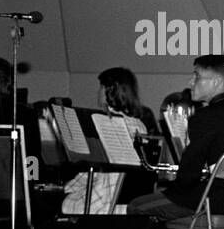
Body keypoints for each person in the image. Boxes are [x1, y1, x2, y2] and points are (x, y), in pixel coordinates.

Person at [128, 55, 224, 222]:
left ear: (217, 82)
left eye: (197, 76)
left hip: (215, 202)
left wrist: (172, 189)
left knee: (137, 206)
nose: (191, 82)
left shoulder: (205, 116)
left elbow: (188, 175)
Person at [61, 67, 158, 214]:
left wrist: (67, 187)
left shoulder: (103, 123)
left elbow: (93, 169)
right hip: (129, 200)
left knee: (64, 203)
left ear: (109, 90)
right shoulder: (140, 125)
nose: (98, 92)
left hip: (105, 198)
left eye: (101, 87)